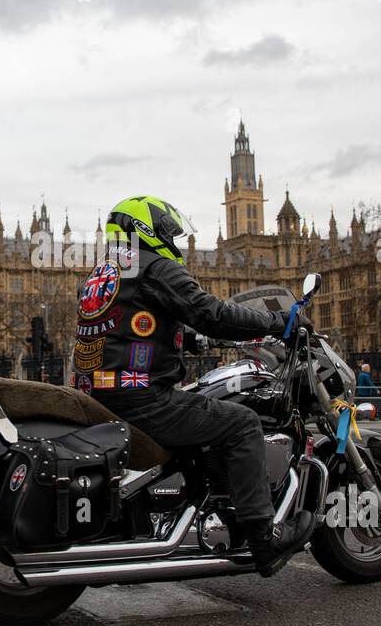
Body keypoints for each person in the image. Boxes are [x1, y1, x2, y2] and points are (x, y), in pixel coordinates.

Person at [75, 195, 313, 577]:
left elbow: (132, 325)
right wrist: (279, 322)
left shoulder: (105, 272)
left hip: (100, 393)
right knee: (242, 423)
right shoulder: (155, 267)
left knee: (206, 416)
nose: (172, 240)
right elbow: (211, 312)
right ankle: (263, 540)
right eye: (169, 232)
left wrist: (187, 339)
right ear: (148, 232)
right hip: (143, 399)